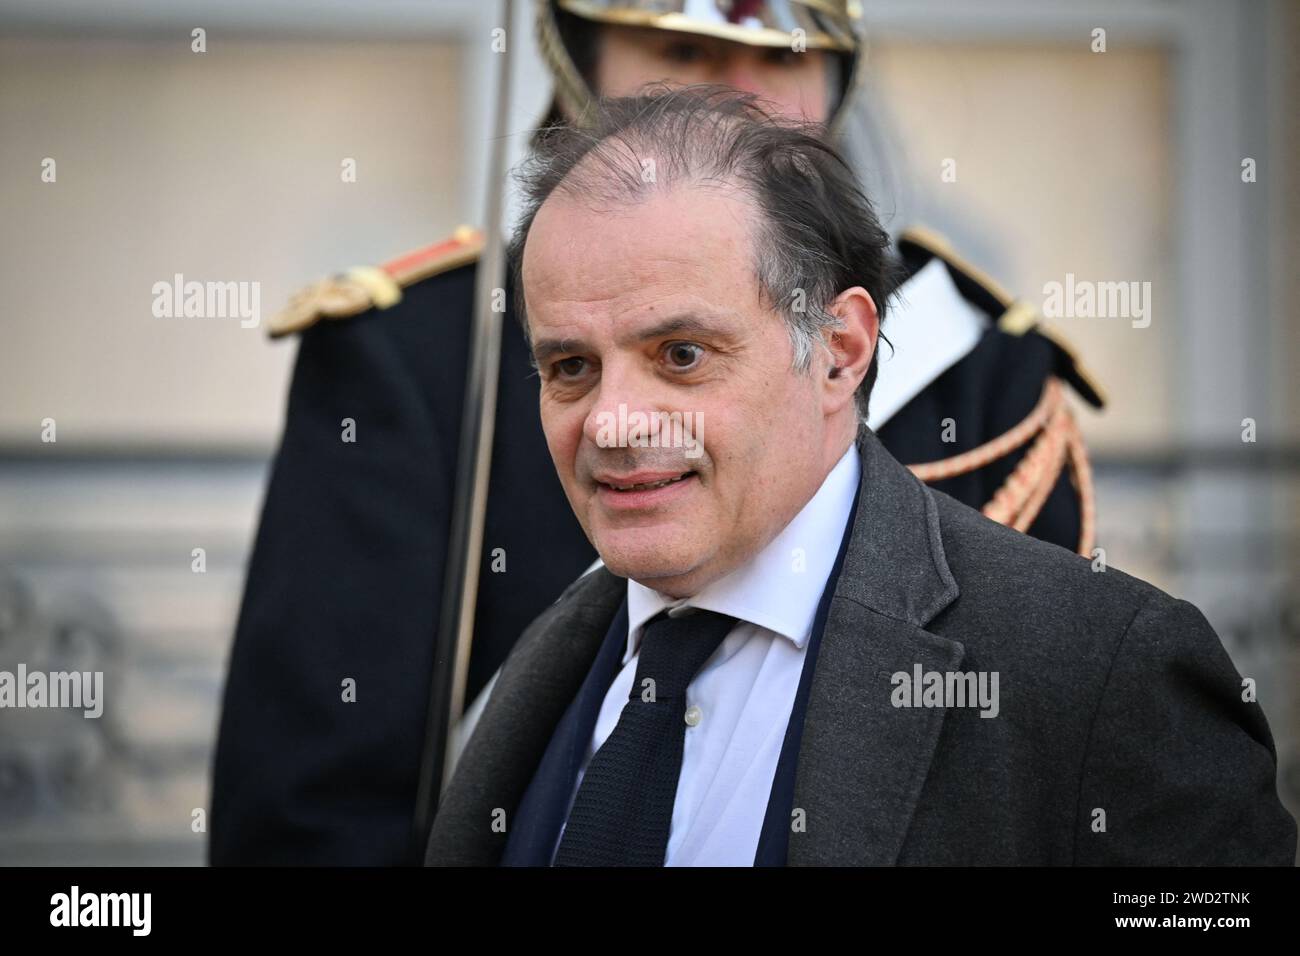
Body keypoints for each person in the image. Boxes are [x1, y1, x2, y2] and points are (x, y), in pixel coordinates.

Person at [211, 1, 1103, 865]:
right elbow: (311, 807)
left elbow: (1027, 756)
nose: (742, 97)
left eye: (785, 57)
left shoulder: (982, 365)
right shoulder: (413, 349)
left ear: (847, 347)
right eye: (684, 59)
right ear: (576, 65)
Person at [425, 87, 1295, 867]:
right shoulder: (552, 663)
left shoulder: (1101, 674)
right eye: (570, 366)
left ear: (840, 351)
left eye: (681, 355)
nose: (613, 423)